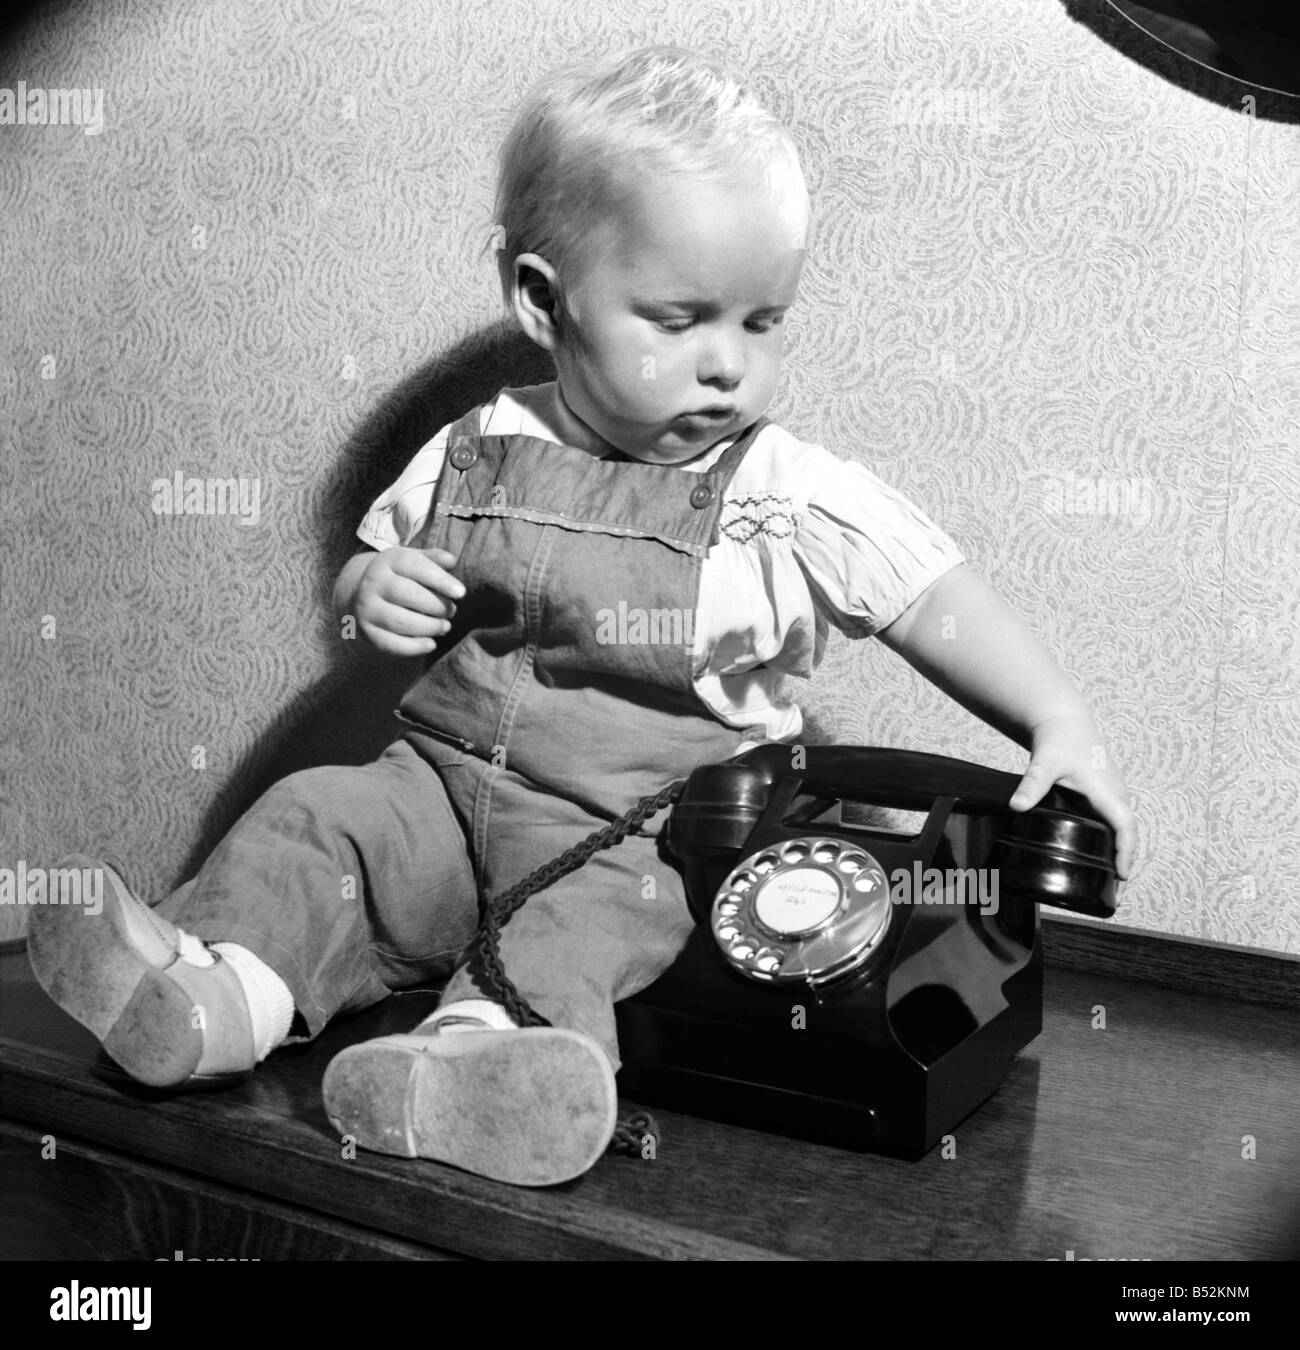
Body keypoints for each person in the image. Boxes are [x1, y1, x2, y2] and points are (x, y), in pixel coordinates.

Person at [28, 46, 1135, 1187]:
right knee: (321, 816)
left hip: (638, 833)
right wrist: (369, 595)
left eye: (762, 323)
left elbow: (926, 593)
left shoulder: (781, 494)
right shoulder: (478, 443)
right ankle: (214, 994)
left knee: (580, 930)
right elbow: (375, 560)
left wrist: (1058, 722)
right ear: (543, 301)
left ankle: (470, 1068)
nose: (728, 368)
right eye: (681, 317)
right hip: (441, 792)